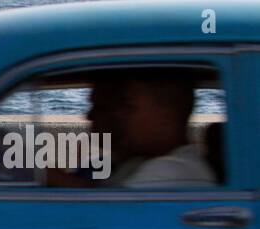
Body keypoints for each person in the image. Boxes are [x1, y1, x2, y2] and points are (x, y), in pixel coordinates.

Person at [47, 71, 216, 188]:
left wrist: (46, 175)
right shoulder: (135, 163)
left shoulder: (174, 170)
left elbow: (102, 213)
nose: (120, 114)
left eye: (130, 106)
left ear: (165, 115)